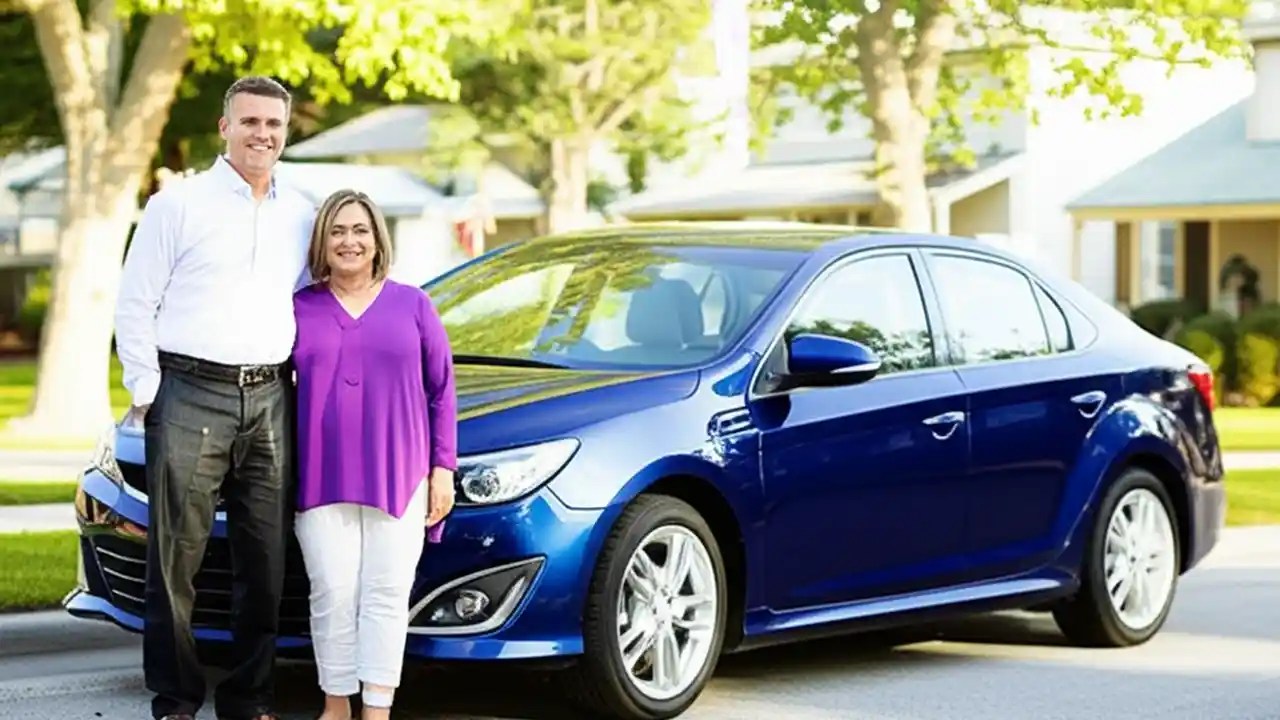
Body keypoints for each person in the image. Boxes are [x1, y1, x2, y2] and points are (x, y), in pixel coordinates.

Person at [114, 75, 316, 720]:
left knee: (266, 557)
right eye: (250, 122)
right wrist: (149, 392)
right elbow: (135, 303)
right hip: (189, 391)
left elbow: (316, 303)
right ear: (225, 127)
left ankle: (249, 696)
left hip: (271, 396)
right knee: (176, 560)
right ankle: (175, 697)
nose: (263, 134)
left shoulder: (303, 213)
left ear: (287, 132)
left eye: (274, 125)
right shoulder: (180, 205)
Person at [290, 189, 458, 720]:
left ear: (377, 238)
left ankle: (378, 709)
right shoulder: (298, 308)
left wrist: (442, 470)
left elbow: (442, 390)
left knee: (387, 594)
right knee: (333, 593)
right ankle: (336, 705)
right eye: (337, 231)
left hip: (400, 473)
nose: (349, 241)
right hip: (319, 473)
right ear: (323, 241)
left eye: (360, 229)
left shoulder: (414, 304)